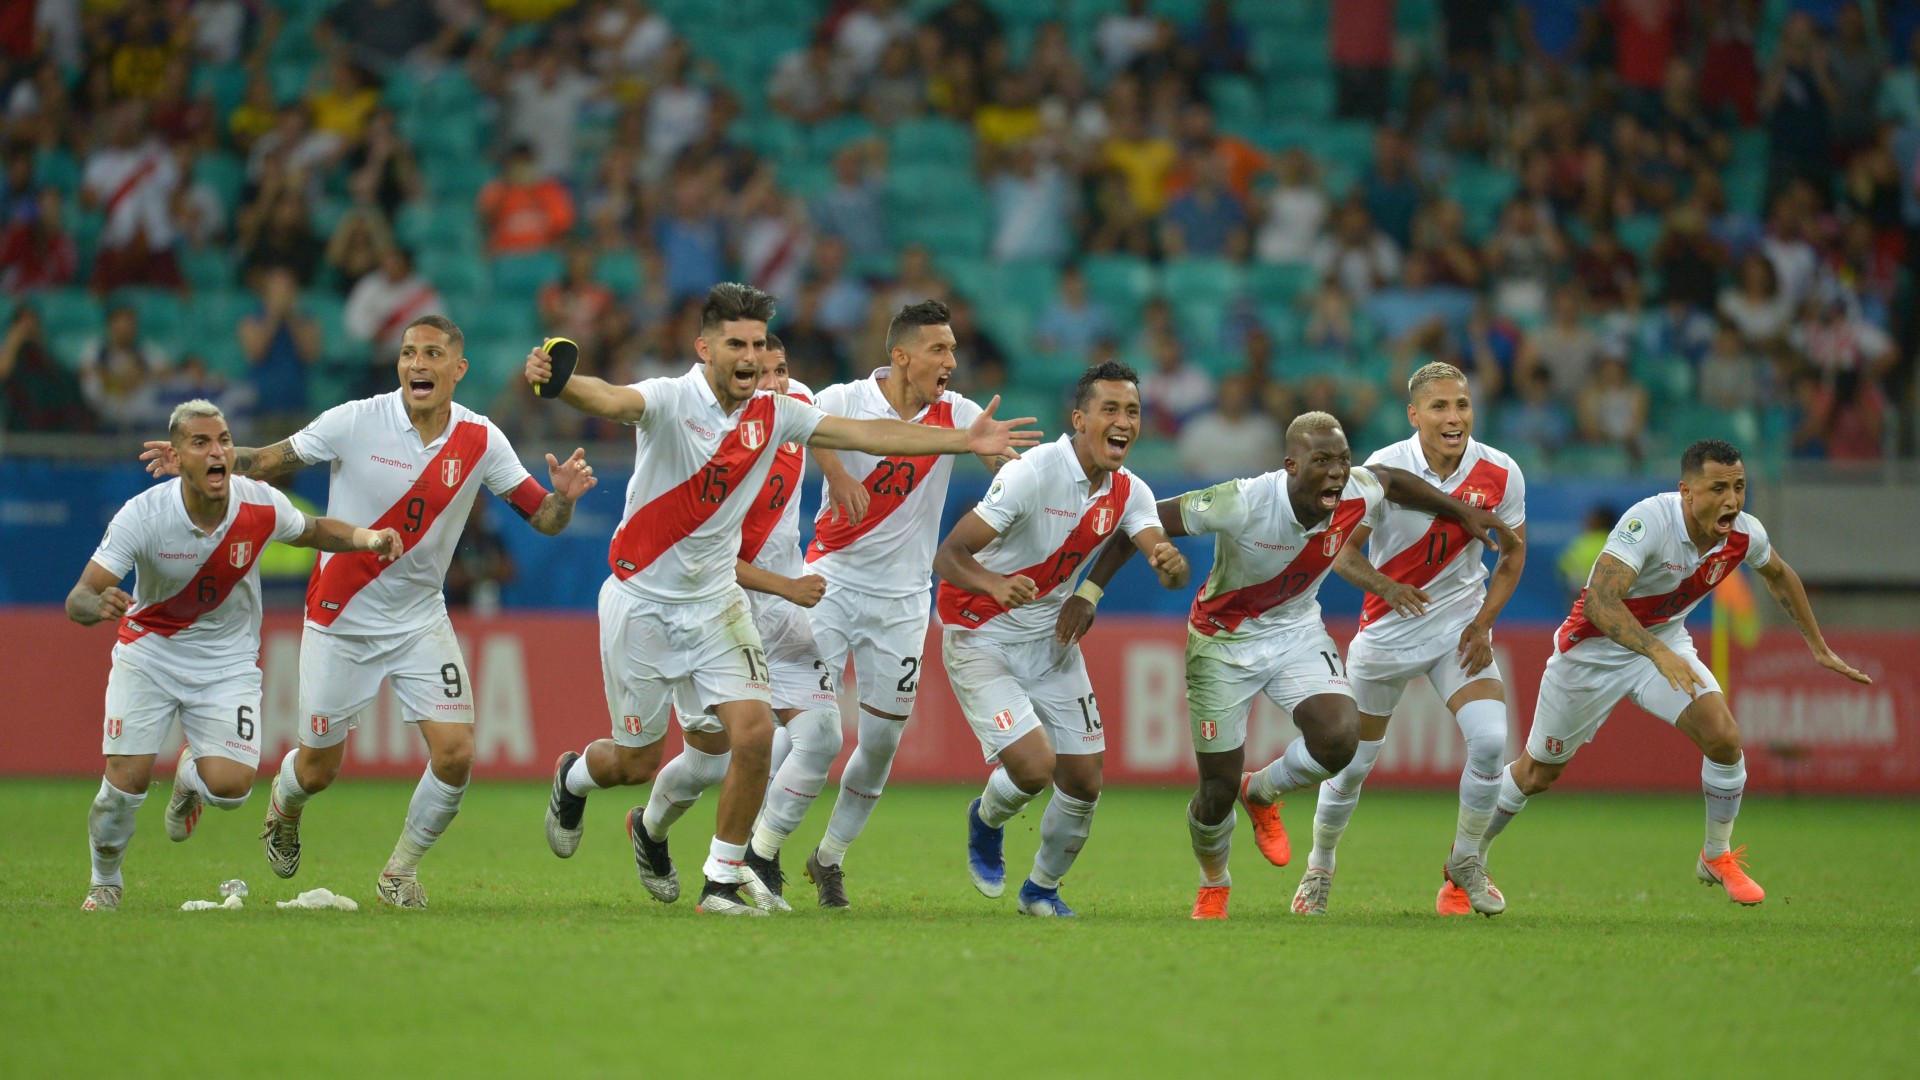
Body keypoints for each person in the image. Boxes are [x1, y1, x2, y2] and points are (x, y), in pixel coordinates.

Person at [525, 284, 1039, 916]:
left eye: (759, 346)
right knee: (636, 762)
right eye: (736, 345)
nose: (750, 359)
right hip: (643, 602)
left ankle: (723, 879)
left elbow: (867, 434)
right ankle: (576, 778)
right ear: (704, 349)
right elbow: (609, 398)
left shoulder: (777, 412)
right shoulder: (670, 399)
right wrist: (560, 384)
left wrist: (962, 440)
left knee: (753, 736)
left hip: (718, 605)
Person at [140, 316, 598, 908]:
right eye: (408, 353)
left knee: (457, 754)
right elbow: (269, 459)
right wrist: (204, 461)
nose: (416, 364)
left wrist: (562, 498)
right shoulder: (355, 420)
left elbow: (544, 519)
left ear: (458, 369)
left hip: (419, 619)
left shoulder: (481, 439)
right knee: (318, 770)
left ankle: (399, 873)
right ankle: (283, 807)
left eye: (431, 354)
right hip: (341, 618)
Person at [1076, 411, 1518, 919]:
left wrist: (1463, 512)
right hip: (1222, 642)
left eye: (1343, 460)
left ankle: (1261, 790)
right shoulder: (1242, 500)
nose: (1337, 472)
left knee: (1340, 738)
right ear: (1291, 465)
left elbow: (1393, 481)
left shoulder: (1355, 490)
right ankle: (1214, 882)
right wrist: (1090, 592)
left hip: (1296, 630)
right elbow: (1139, 519)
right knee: (1215, 793)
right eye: (1322, 461)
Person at [1483, 440, 1872, 907]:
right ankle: (1466, 860)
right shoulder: (1649, 521)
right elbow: (1600, 604)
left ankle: (1716, 855)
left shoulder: (1744, 533)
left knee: (1724, 738)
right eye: (1718, 489)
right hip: (1592, 654)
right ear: (1686, 492)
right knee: (1536, 774)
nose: (1732, 500)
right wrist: (1656, 653)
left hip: (1663, 644)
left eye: (1739, 487)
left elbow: (1779, 574)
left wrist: (1818, 646)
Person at [726, 299, 1015, 909]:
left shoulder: (960, 414)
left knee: (880, 743)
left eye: (954, 349)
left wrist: (1011, 466)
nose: (951, 360)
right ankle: (757, 850)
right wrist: (835, 471)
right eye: (939, 349)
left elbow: (998, 458)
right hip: (828, 585)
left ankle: (828, 858)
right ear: (902, 356)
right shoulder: (844, 399)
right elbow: (804, 426)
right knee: (805, 730)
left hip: (904, 604)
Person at [69, 400, 402, 910]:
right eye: (201, 442)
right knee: (125, 783)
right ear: (177, 456)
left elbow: (312, 530)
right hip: (150, 653)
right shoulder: (144, 515)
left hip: (227, 663)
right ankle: (105, 880)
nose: (217, 451)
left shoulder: (258, 503)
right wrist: (96, 606)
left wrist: (367, 537)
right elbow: (80, 596)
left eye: (223, 440)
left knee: (231, 790)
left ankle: (189, 774)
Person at [940, 361, 1190, 916]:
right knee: (1033, 767)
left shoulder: (1130, 491)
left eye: (1132, 411)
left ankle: (1041, 890)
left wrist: (1169, 566)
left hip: (1051, 643)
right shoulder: (1032, 473)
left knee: (1084, 779)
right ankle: (985, 819)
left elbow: (1162, 560)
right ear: (1079, 419)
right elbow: (950, 556)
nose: (1123, 422)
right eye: (1110, 409)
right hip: (981, 635)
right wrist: (994, 583)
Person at [1299, 362, 1528, 916]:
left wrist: (1484, 622)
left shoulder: (1501, 471)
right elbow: (1342, 552)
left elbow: (1512, 553)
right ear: (1414, 414)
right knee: (1351, 765)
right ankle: (1319, 866)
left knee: (1491, 742)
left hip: (1458, 628)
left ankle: (1466, 861)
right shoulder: (1381, 471)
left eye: (1462, 405)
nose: (1454, 418)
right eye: (1439, 407)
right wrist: (1387, 586)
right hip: (1387, 632)